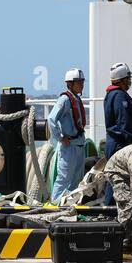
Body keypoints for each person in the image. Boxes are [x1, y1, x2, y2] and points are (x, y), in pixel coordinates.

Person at [47, 68, 89, 202]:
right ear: (70, 83)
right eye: (78, 82)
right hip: (69, 146)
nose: (81, 84)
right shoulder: (65, 99)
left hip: (79, 145)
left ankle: (69, 205)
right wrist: (59, 137)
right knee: (63, 179)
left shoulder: (76, 99)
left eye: (82, 81)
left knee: (76, 180)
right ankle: (55, 204)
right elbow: (51, 119)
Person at [103, 62, 132, 158]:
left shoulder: (112, 94)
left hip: (116, 144)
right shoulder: (119, 95)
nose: (129, 81)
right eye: (128, 78)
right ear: (121, 80)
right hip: (120, 146)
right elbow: (124, 121)